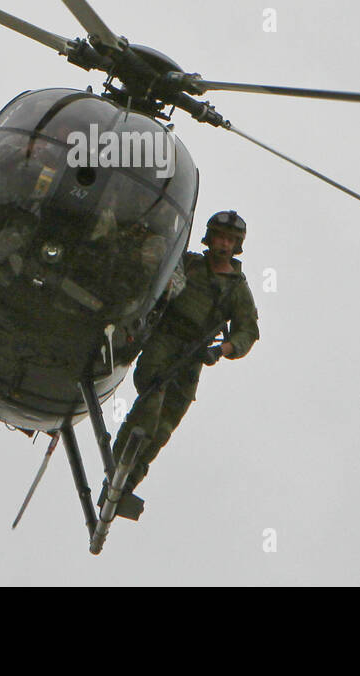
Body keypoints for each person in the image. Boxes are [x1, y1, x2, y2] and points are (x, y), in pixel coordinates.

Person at [105, 210, 260, 517]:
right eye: (220, 237)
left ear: (237, 245)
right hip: (164, 341)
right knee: (149, 408)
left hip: (193, 358)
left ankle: (127, 484)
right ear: (210, 238)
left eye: (230, 240)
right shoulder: (187, 263)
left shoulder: (236, 288)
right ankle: (116, 469)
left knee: (163, 429)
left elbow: (248, 331)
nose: (224, 244)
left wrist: (222, 350)